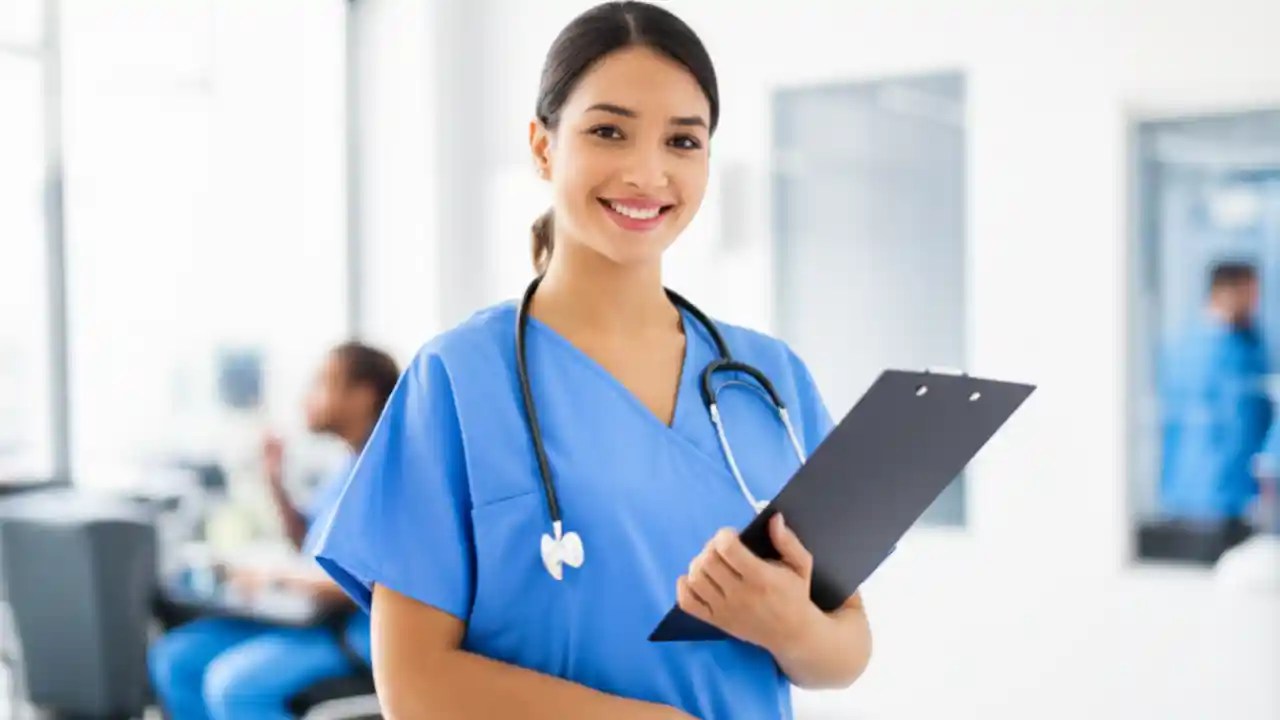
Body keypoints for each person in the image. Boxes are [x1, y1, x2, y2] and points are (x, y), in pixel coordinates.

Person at [311, 4, 871, 719]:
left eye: (682, 141)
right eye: (609, 131)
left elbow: (847, 642)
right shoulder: (458, 381)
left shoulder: (771, 380)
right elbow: (414, 687)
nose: (648, 172)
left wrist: (791, 628)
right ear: (543, 147)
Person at [149, 342, 399, 720]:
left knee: (234, 686)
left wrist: (270, 577)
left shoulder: (391, 475)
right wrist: (274, 482)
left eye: (321, 384)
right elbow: (310, 544)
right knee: (177, 657)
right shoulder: (346, 468)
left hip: (353, 636)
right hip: (311, 624)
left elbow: (368, 582)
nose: (305, 399)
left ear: (362, 395)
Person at [1159, 260, 1273, 522]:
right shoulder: (1191, 351)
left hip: (1240, 495)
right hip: (1200, 493)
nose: (1254, 305)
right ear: (1226, 292)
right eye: (1249, 295)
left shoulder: (1249, 347)